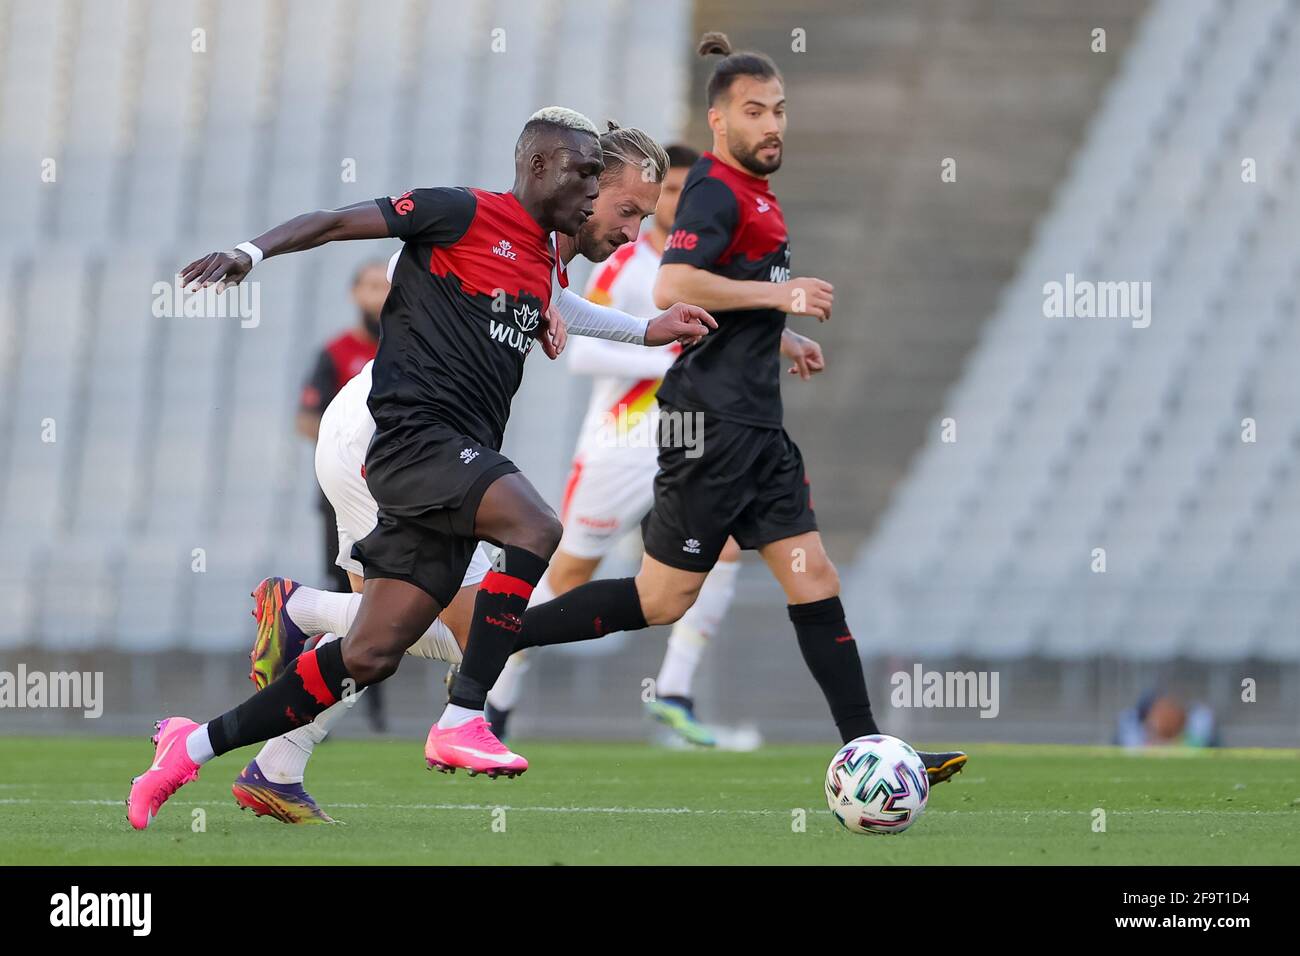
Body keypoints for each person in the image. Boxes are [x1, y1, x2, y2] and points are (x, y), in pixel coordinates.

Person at [127, 107, 716, 829]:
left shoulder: (543, 258)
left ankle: (234, 752)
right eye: (618, 204)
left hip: (423, 440)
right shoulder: (475, 217)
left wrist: (640, 328)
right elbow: (399, 247)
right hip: (393, 432)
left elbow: (550, 297)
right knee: (511, 570)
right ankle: (436, 702)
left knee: (379, 647)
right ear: (573, 181)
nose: (624, 225)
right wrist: (250, 252)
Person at [476, 36, 968, 784]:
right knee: (661, 596)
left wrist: (781, 335)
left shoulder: (758, 195)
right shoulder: (712, 189)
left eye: (778, 110)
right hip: (709, 428)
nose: (772, 124)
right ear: (719, 121)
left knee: (815, 578)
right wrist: (780, 296)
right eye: (754, 111)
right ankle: (495, 637)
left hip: (759, 430)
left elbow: (726, 297)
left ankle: (869, 750)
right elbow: (675, 286)